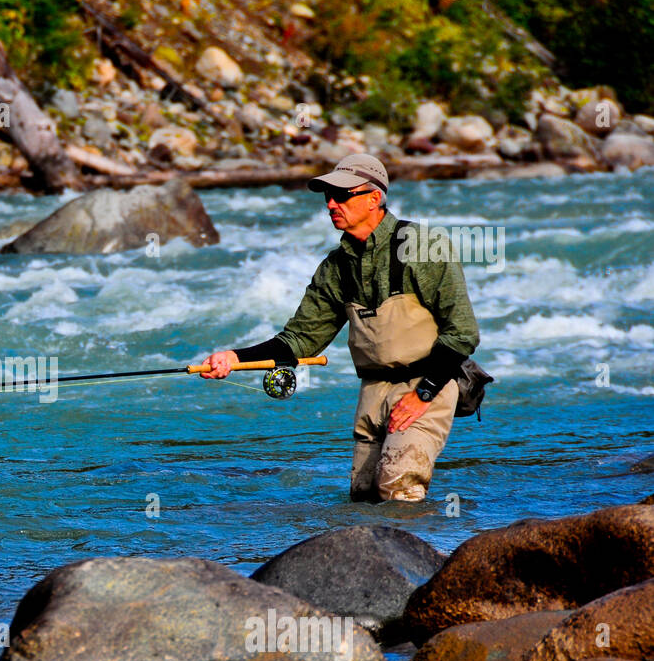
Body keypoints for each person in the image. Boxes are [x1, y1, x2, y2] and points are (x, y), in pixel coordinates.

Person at [202, 154, 480, 502]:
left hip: (427, 386)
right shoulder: (335, 267)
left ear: (374, 198)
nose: (331, 204)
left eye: (342, 195)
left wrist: (423, 394)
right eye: (328, 197)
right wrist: (234, 357)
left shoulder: (423, 246)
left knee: (398, 492)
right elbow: (300, 340)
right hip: (372, 390)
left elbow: (463, 332)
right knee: (363, 499)